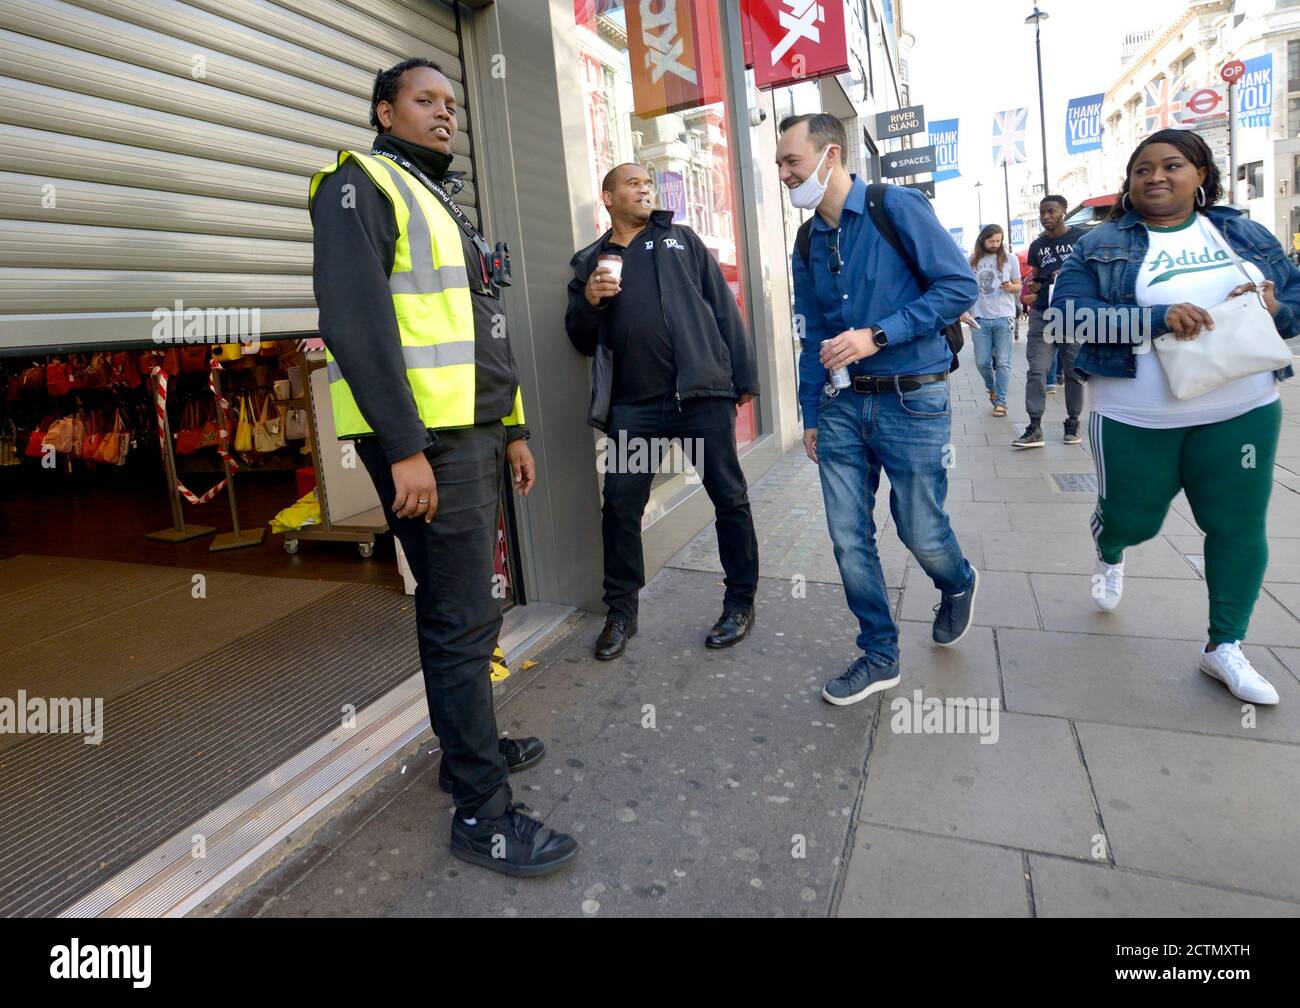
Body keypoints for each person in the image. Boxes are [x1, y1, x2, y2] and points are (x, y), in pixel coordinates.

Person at [310, 58, 578, 875]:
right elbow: (353, 323)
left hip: (475, 429)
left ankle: (469, 746)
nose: (445, 113)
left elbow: (482, 323)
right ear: (384, 111)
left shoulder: (439, 198)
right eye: (425, 100)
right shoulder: (355, 184)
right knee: (465, 615)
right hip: (432, 440)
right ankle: (482, 813)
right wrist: (403, 448)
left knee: (459, 609)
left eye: (451, 103)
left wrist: (517, 426)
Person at [1055, 127, 1300, 705]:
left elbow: (1294, 308)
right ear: (1130, 181)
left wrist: (1275, 307)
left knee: (1237, 526)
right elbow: (1067, 317)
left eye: (1172, 166)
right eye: (1143, 169)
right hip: (1134, 416)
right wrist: (1156, 318)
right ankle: (1110, 549)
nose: (1157, 177)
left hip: (1243, 407)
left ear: (1200, 175)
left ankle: (1225, 646)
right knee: (1132, 521)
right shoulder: (1098, 243)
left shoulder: (1243, 233)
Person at [775, 113, 980, 707]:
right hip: (841, 407)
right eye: (781, 165)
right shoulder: (808, 238)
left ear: (830, 155)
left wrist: (878, 335)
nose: (785, 174)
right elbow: (812, 329)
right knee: (847, 536)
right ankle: (879, 653)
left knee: (919, 528)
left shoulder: (897, 207)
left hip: (913, 399)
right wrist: (810, 412)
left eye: (792, 161)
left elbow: (958, 288)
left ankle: (958, 580)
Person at [566, 164, 761, 661]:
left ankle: (739, 604)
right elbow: (579, 337)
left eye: (647, 182)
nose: (644, 188)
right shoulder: (592, 261)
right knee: (620, 508)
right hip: (635, 408)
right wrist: (589, 300)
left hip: (700, 397)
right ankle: (621, 613)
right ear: (607, 197)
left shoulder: (682, 240)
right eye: (632, 183)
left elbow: (723, 309)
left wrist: (744, 377)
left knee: (729, 498)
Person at [1013, 196, 1087, 448]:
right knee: (1036, 369)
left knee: (1073, 372)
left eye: (1051, 211)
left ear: (1063, 212)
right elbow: (1035, 277)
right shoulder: (1037, 245)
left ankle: (1072, 421)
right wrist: (1033, 286)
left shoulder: (1081, 238)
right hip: (1043, 312)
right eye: (1042, 212)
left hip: (1073, 313)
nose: (1045, 216)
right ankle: (1034, 426)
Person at [968, 224, 1021, 417]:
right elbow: (965, 289)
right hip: (979, 317)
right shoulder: (971, 261)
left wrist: (1011, 288)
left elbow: (1018, 285)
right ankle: (992, 388)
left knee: (1003, 362)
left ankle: (1001, 402)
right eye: (992, 241)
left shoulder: (1010, 259)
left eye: (998, 240)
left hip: (1003, 315)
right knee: (982, 362)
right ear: (983, 239)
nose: (995, 244)